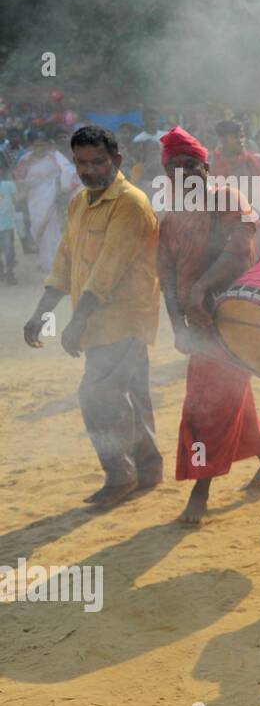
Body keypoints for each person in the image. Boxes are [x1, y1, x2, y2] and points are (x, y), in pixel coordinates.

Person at [22, 126, 163, 508]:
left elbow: (106, 271)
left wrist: (77, 322)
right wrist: (40, 314)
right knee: (131, 392)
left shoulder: (130, 203)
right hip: (102, 320)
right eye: (81, 162)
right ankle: (148, 468)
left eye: (97, 161)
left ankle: (120, 474)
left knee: (96, 395)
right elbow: (65, 262)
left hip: (122, 318)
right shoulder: (79, 203)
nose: (88, 170)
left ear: (116, 161)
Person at [155, 127, 260, 523]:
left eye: (189, 166)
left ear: (206, 167)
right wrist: (178, 323)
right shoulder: (172, 215)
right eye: (174, 168)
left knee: (206, 406)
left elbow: (239, 253)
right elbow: (165, 274)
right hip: (198, 327)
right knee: (229, 399)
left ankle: (200, 494)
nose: (182, 174)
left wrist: (202, 287)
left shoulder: (229, 199)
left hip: (234, 322)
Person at [17, 128, 78, 274]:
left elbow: (68, 172)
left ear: (47, 145)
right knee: (38, 229)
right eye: (36, 145)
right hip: (34, 199)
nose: (40, 148)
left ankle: (57, 265)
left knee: (54, 230)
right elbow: (19, 179)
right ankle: (46, 262)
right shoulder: (25, 159)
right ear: (32, 145)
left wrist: (62, 189)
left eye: (42, 144)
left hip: (52, 198)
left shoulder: (56, 158)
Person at [0, 173, 17, 284]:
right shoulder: (8, 185)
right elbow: (16, 200)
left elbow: (15, 199)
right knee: (9, 250)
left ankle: (7, 274)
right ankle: (8, 274)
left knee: (9, 250)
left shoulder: (8, 185)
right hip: (7, 224)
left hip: (7, 225)